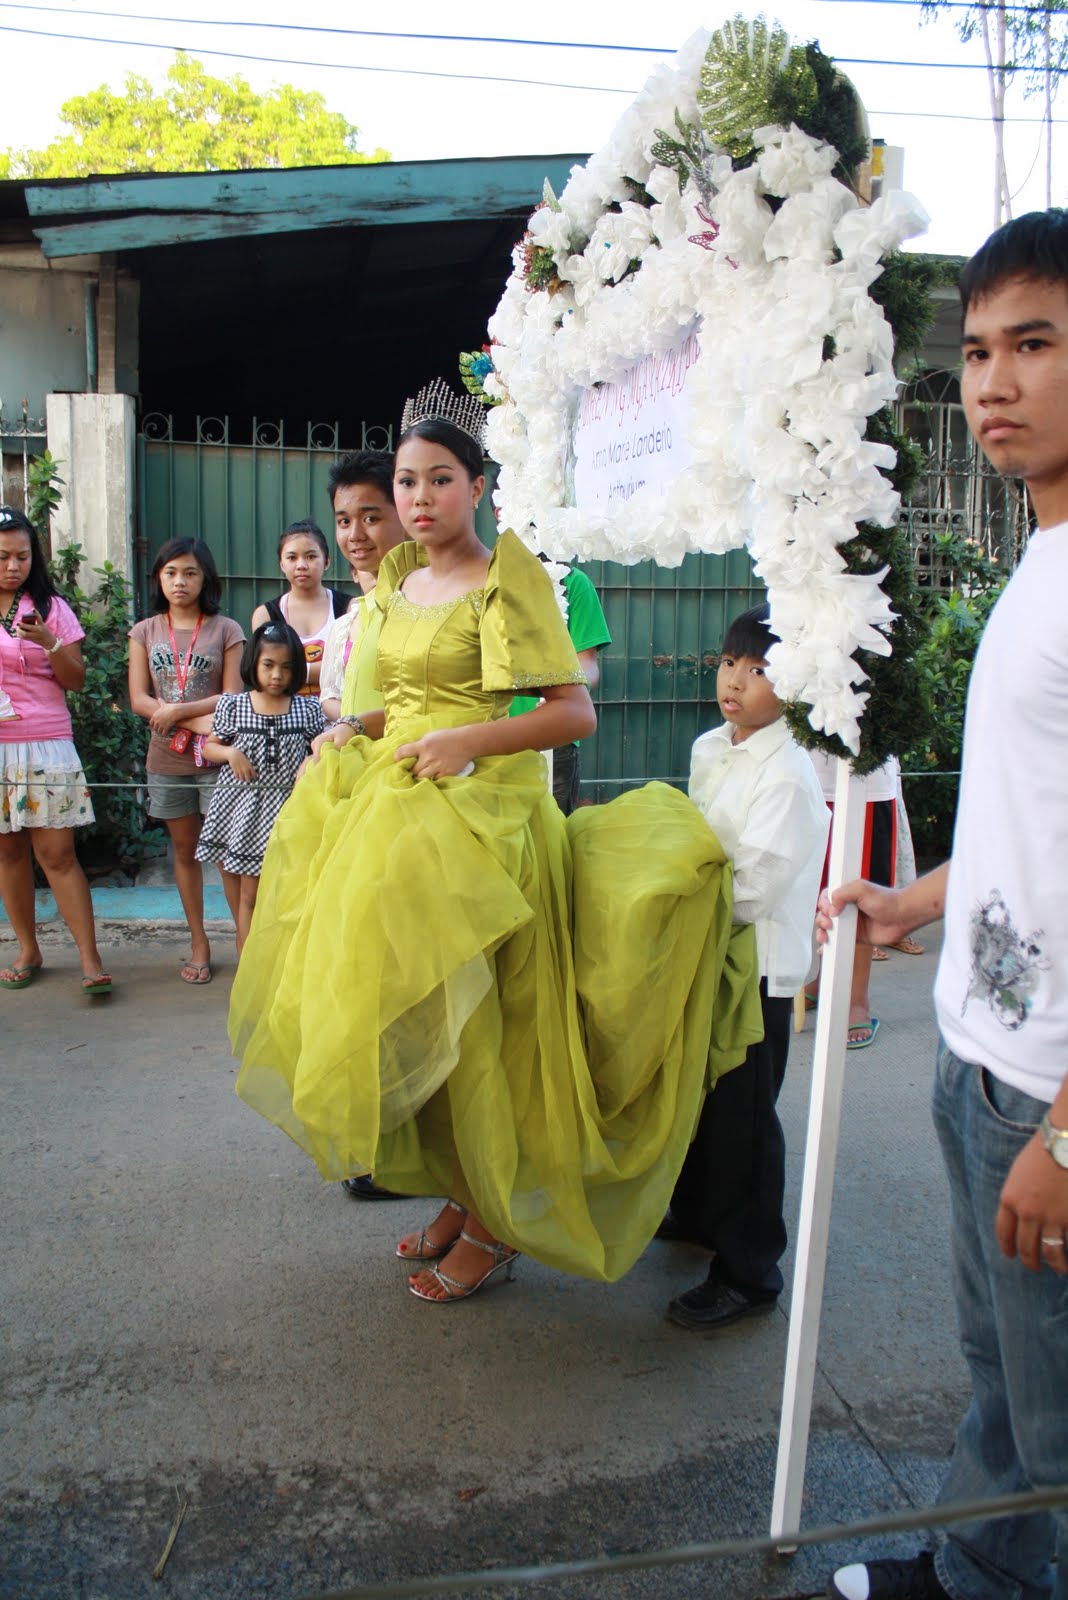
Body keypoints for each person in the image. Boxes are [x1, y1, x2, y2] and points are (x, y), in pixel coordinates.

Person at [229, 401, 761, 1301]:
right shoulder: (397, 576)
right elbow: (400, 696)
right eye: (408, 482)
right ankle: (457, 1190)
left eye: (441, 479)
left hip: (485, 823)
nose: (421, 497)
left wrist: (469, 742)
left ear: (477, 487)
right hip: (394, 807)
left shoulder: (504, 579)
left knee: (486, 1035)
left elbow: (571, 711)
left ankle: (492, 1223)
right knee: (421, 1015)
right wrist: (352, 726)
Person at [826, 210, 1068, 1600]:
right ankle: (980, 1573)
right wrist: (910, 904)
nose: (991, 381)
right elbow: (1027, 823)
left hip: (1047, 1099)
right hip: (977, 1055)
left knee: (1060, 1420)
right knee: (1002, 1379)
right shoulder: (1034, 559)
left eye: (1033, 344)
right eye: (978, 349)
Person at [659, 604, 828, 1331]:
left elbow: (753, 884)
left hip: (756, 964)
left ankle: (749, 1271)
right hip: (709, 949)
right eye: (731, 662)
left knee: (745, 1118)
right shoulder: (710, 747)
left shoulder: (788, 773)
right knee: (703, 1096)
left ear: (794, 687)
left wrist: (667, 905)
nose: (737, 681)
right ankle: (697, 1214)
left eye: (760, 670)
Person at [0, 506, 111, 995]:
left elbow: (77, 679)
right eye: (2, 557)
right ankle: (28, 949)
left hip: (46, 743)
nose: (12, 566)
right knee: (7, 854)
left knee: (58, 853)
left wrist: (49, 642)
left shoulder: (50, 606)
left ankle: (90, 958)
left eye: (22, 556)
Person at [128, 538, 244, 985]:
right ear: (159, 577)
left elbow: (233, 696)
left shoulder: (226, 629)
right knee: (184, 850)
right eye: (172, 571)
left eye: (191, 572)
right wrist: (189, 722)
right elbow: (139, 699)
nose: (181, 581)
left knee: (228, 854)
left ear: (205, 579)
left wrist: (178, 713)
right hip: (167, 758)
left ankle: (245, 939)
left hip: (218, 756)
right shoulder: (145, 631)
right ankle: (199, 942)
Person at [194, 620, 325, 953]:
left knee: (289, 893)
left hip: (289, 814)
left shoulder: (307, 709)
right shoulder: (234, 706)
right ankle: (249, 965)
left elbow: (320, 749)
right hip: (243, 813)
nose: (277, 675)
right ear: (253, 662)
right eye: (268, 665)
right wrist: (229, 752)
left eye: (286, 667)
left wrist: (310, 762)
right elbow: (209, 746)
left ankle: (282, 962)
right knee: (249, 895)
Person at [806, 753, 899, 1048]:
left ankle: (856, 998)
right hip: (810, 774)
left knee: (861, 888)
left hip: (866, 779)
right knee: (817, 886)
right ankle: (827, 979)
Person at [510, 563, 611, 815]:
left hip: (552, 734)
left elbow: (586, 662)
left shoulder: (573, 582)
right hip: (485, 732)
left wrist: (570, 692)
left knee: (551, 835)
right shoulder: (483, 575)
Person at [251, 520, 343, 698]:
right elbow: (264, 673)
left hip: (340, 719)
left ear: (327, 561)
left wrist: (293, 670)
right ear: (281, 564)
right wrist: (326, 670)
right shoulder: (265, 614)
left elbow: (351, 668)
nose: (301, 565)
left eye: (310, 556)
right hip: (286, 719)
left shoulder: (348, 608)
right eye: (292, 558)